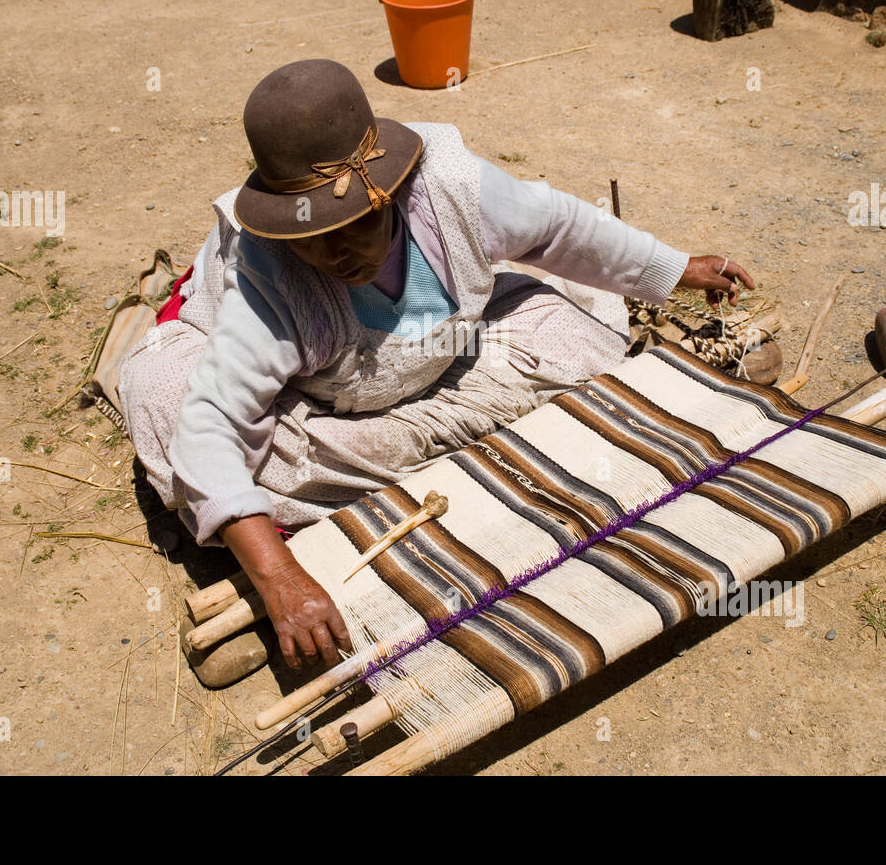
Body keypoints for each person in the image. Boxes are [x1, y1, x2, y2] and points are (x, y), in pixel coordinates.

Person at [119, 58, 754, 670]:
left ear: (390, 193)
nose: (337, 253)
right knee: (168, 397)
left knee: (567, 329)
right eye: (315, 236)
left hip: (443, 359)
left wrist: (674, 269)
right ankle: (398, 472)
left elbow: (561, 229)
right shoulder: (269, 274)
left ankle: (381, 475)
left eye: (356, 226)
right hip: (317, 405)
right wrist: (279, 577)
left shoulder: (454, 190)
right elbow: (213, 421)